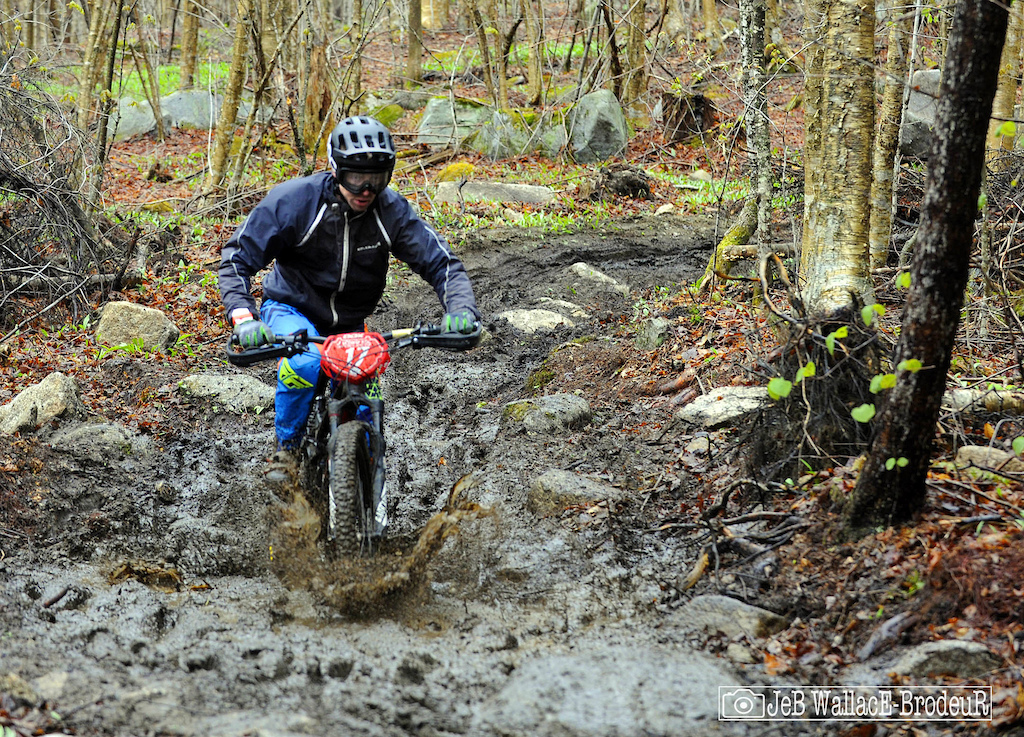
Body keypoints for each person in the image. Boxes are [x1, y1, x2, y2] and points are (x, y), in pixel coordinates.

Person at [219, 115, 480, 481]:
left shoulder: (392, 212)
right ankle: (287, 451)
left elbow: (441, 263)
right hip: (291, 308)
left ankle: (368, 480)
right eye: (355, 177)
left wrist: (461, 309)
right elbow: (236, 258)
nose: (365, 189)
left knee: (368, 406)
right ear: (336, 170)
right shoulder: (295, 203)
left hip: (352, 325)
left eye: (376, 179)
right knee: (305, 365)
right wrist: (245, 317)